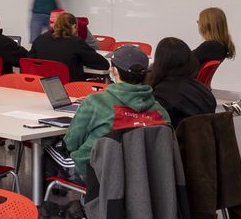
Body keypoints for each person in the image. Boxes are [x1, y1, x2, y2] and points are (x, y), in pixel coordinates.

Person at [62, 43, 167, 180]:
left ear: (115, 71)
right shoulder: (160, 111)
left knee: (47, 151)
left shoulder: (95, 102)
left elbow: (71, 143)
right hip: (144, 178)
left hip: (97, 173)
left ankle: (41, 200)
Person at [148, 36, 218, 122]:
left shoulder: (161, 94)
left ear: (160, 62)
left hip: (174, 134)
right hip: (204, 134)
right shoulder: (206, 93)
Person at [24, 10, 107, 78]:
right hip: (70, 88)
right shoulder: (76, 42)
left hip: (44, 85)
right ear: (74, 26)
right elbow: (103, 64)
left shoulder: (40, 39)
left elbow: (29, 61)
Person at [193, 6, 236, 71]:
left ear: (207, 25)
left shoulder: (211, 46)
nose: (198, 24)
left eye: (200, 21)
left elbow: (186, 61)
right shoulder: (218, 46)